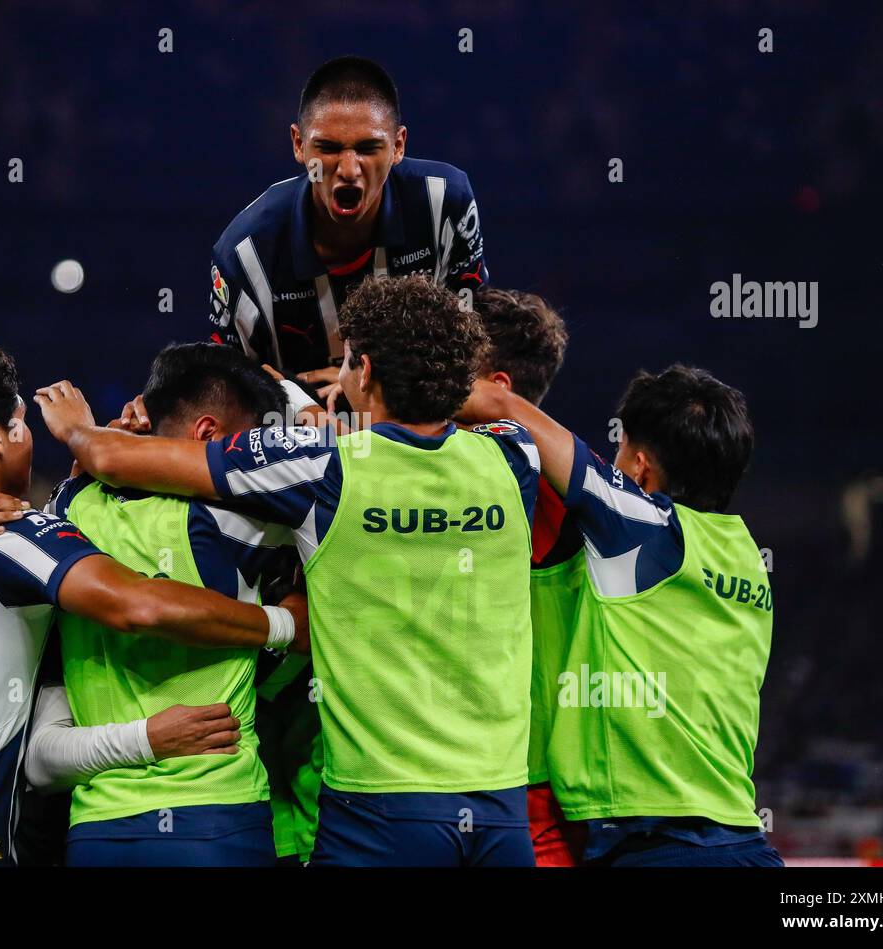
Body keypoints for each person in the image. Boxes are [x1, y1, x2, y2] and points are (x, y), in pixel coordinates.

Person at [37, 275, 540, 867]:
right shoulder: (513, 455)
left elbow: (111, 460)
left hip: (376, 810)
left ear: (367, 371)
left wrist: (77, 430)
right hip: (501, 803)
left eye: (349, 361)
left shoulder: (318, 470)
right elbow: (432, 434)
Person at [0, 338, 305, 866]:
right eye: (22, 425)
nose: (33, 439)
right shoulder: (6, 531)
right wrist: (283, 624)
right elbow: (137, 606)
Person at [457, 364, 781, 866]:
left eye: (621, 451)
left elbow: (503, 407)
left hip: (657, 848)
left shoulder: (639, 527)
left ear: (641, 470)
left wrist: (390, 383)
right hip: (741, 839)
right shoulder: (747, 558)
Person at [43, 343, 301, 866]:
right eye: (248, 443)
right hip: (218, 814)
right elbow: (339, 473)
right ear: (208, 435)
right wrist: (298, 401)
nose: (254, 458)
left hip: (97, 825)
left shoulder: (65, 510)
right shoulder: (244, 519)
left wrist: (93, 445)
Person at [210, 55, 487, 394]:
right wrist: (302, 403)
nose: (349, 170)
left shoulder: (445, 201)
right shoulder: (243, 253)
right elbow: (228, 391)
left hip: (424, 416)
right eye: (328, 148)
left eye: (368, 148)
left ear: (398, 146)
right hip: (295, 436)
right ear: (299, 145)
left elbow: (475, 348)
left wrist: (369, 386)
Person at [470, 287, 585, 866]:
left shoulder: (551, 496)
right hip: (469, 789)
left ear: (497, 390)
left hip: (527, 799)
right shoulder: (587, 491)